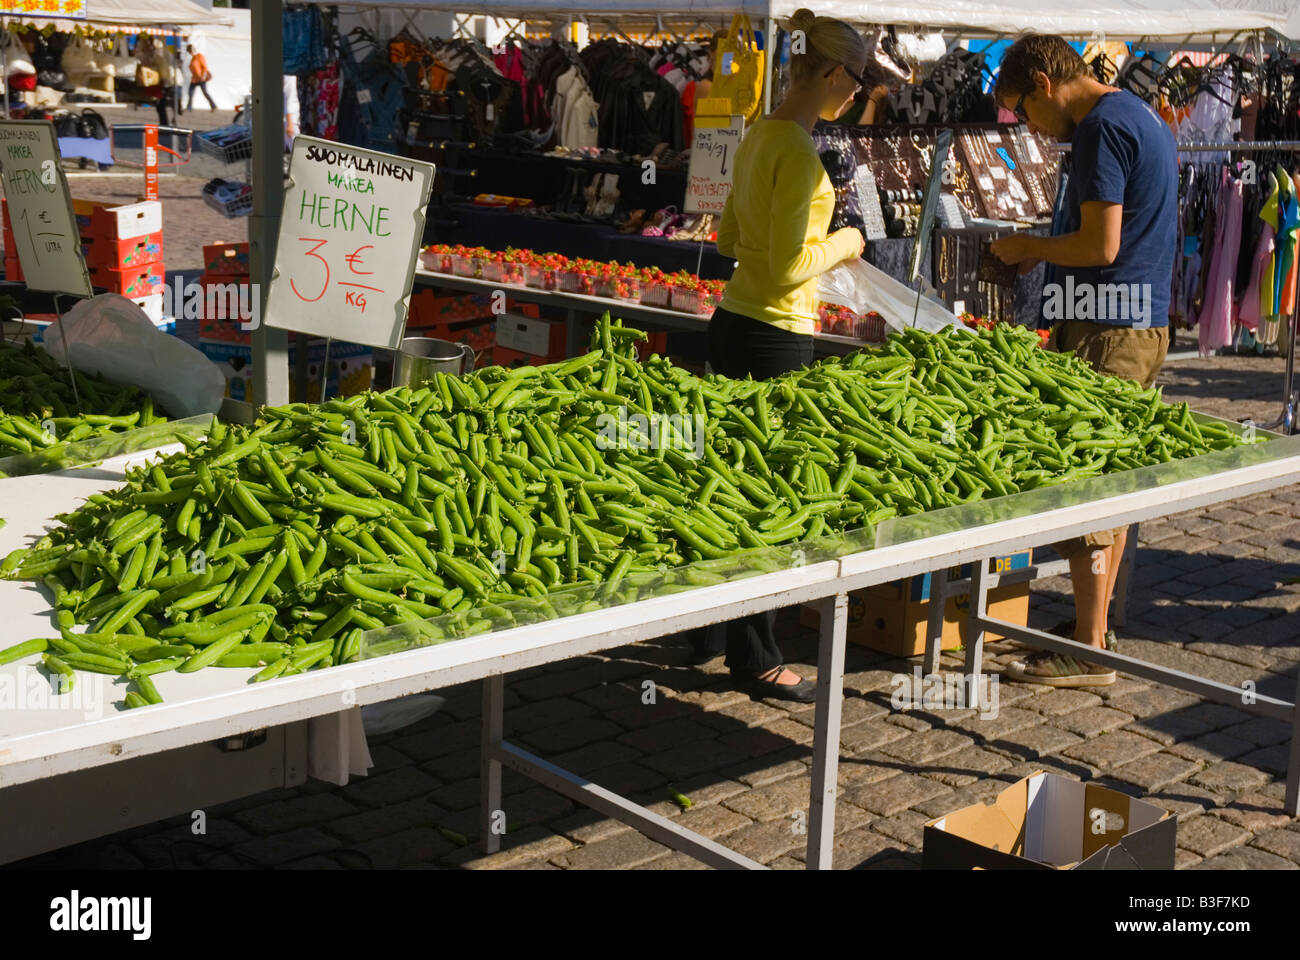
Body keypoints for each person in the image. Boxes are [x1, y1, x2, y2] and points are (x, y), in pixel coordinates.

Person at [687, 8, 866, 703]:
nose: (857, 91)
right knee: (769, 493)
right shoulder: (799, 154)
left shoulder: (761, 137)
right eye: (855, 78)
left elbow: (731, 238)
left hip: (732, 320)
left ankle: (708, 628)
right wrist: (847, 241)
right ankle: (756, 655)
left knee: (722, 483)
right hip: (776, 336)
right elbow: (794, 266)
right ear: (829, 73)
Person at [990, 33, 1177, 688]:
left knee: (1089, 486)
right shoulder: (1134, 112)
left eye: (1023, 111)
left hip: (1110, 329)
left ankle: (1087, 650)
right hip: (1138, 321)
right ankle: (1091, 631)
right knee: (1113, 480)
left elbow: (1102, 246)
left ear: (1043, 83)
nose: (1032, 129)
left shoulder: (1099, 128)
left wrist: (1031, 249)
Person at [187, 44, 217, 111]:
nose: (190, 53)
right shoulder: (193, 58)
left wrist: (203, 76)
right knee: (190, 92)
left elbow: (204, 67)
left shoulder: (199, 56)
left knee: (205, 92)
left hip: (201, 78)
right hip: (194, 79)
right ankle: (189, 107)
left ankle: (213, 105)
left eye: (190, 51)